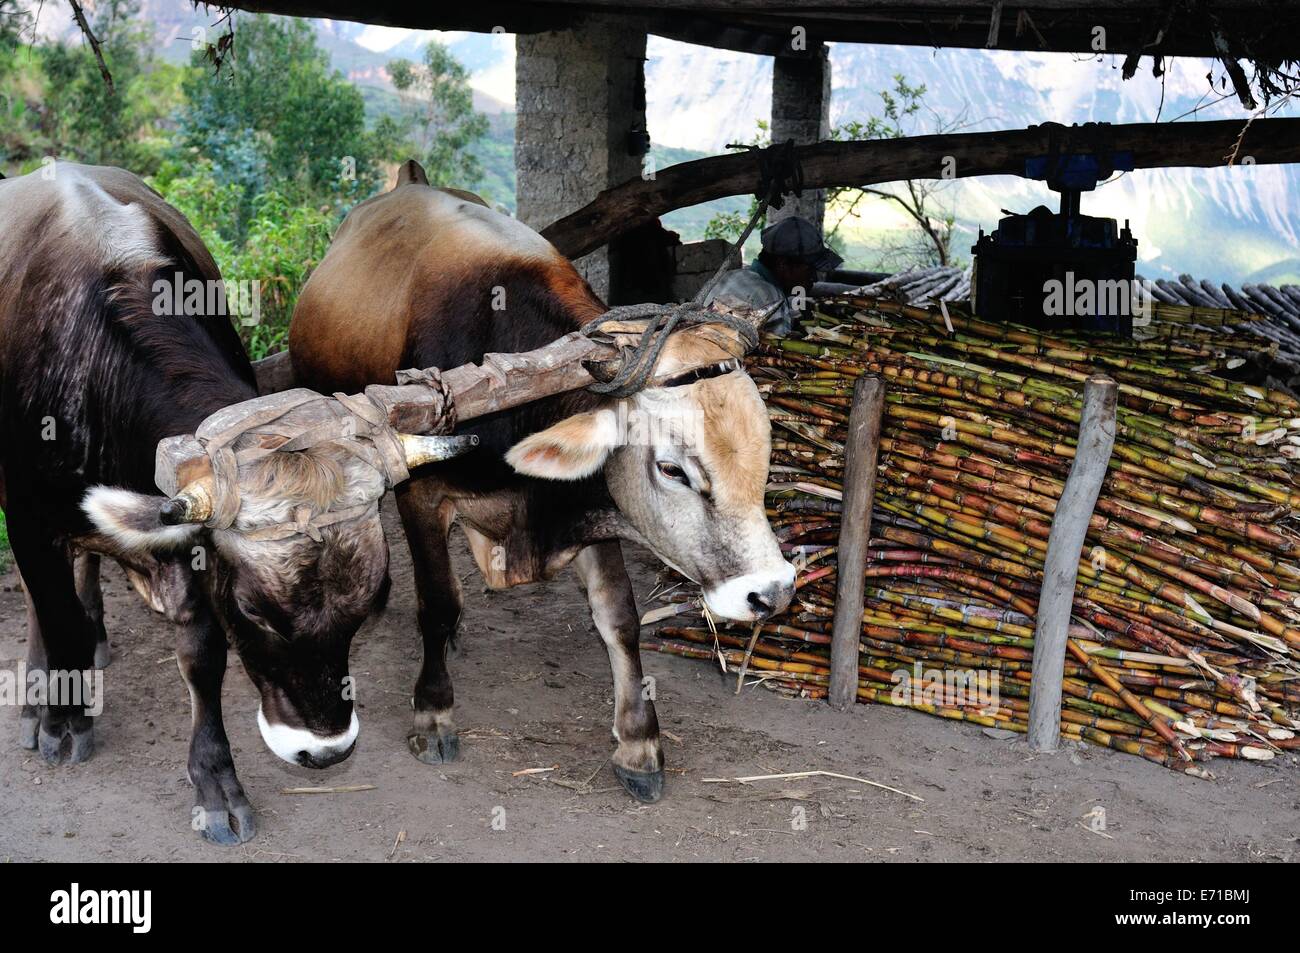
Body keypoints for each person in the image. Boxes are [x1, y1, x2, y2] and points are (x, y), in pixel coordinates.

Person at [705, 215, 843, 336]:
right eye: (810, 270)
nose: (814, 278)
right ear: (782, 263)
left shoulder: (730, 276)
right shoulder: (772, 298)